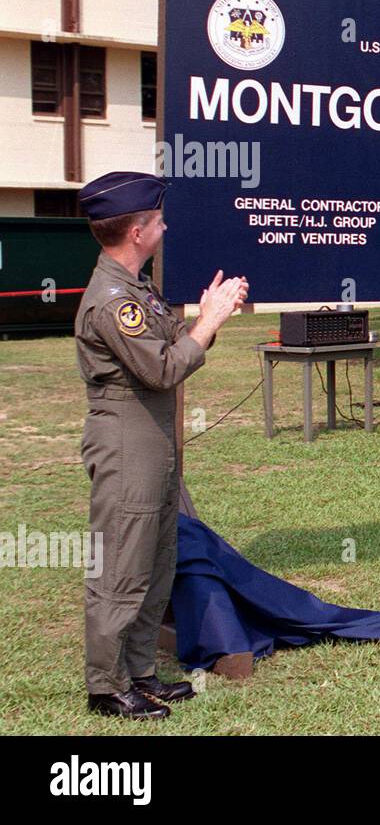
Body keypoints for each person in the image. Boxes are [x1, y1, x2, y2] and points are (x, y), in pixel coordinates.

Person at [75, 170, 247, 719]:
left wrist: (203, 320)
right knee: (122, 567)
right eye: (157, 220)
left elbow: (172, 343)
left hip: (150, 441)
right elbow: (164, 368)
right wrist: (210, 322)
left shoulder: (136, 289)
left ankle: (141, 672)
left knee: (155, 561)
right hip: (128, 443)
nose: (165, 226)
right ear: (136, 232)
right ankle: (106, 687)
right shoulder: (112, 302)